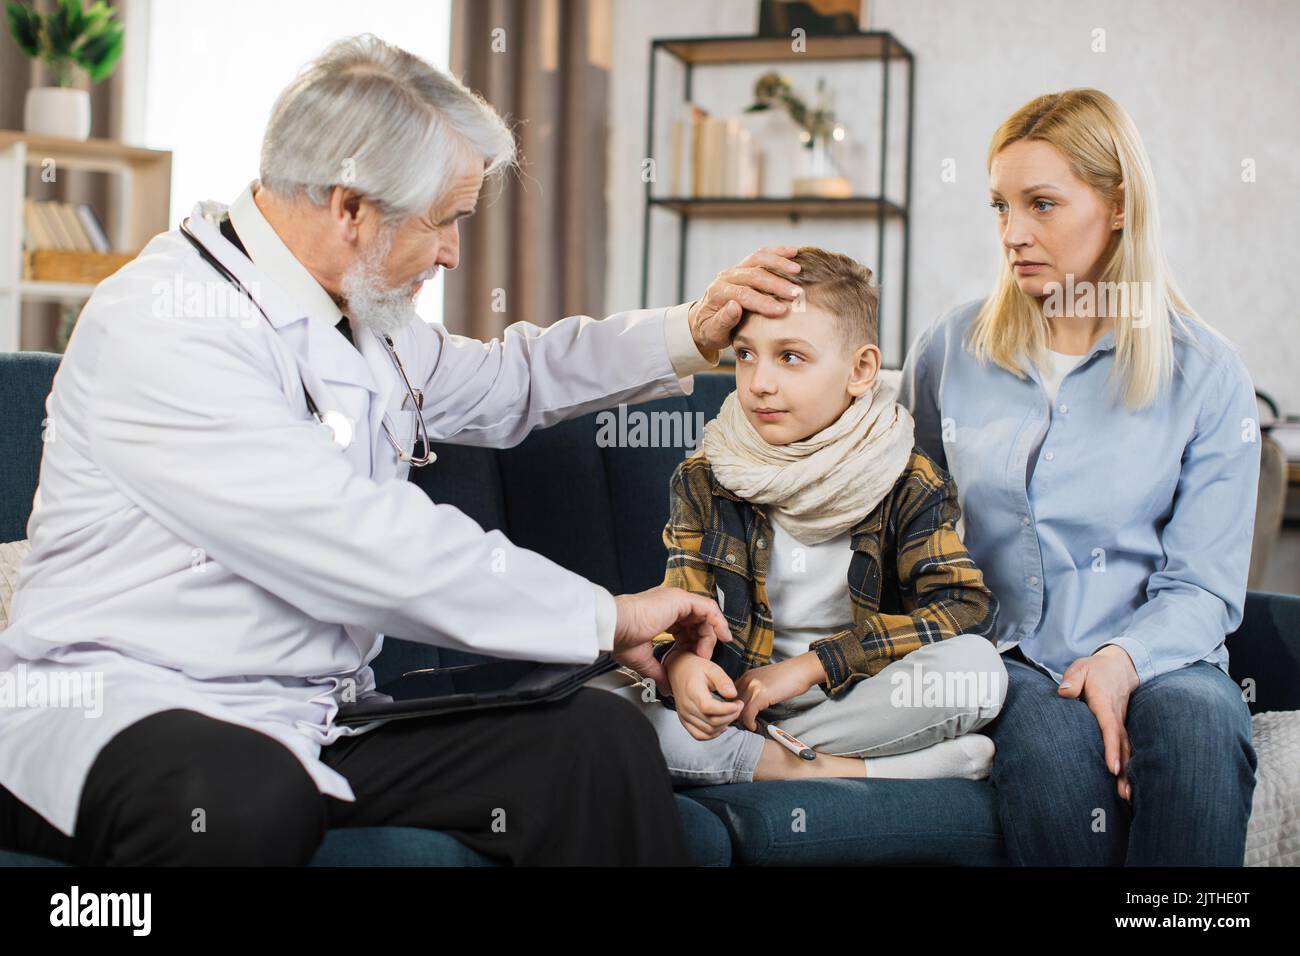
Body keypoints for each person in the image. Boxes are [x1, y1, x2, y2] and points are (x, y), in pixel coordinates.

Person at [0, 35, 805, 866]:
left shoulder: (365, 323)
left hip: (315, 720)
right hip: (131, 710)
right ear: (350, 208)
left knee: (594, 742)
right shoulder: (165, 322)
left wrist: (690, 331)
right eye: (443, 219)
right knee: (239, 796)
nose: (454, 251)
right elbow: (353, 537)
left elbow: (511, 379)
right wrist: (605, 616)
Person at [899, 89, 1260, 865]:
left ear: (1119, 205)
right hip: (1008, 656)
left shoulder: (1206, 372)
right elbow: (901, 520)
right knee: (1056, 761)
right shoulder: (949, 350)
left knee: (1200, 728)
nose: (1013, 233)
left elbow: (1204, 585)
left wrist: (1122, 660)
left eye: (1042, 204)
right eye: (1000, 207)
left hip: (1164, 655)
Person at [596, 248, 1006, 785]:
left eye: (790, 357)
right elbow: (680, 607)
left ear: (860, 370)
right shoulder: (707, 473)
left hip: (850, 696)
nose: (759, 382)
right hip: (732, 692)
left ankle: (742, 757)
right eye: (746, 355)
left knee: (978, 672)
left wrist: (811, 667)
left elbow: (964, 608)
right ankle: (838, 769)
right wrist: (683, 666)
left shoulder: (907, 477)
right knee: (591, 705)